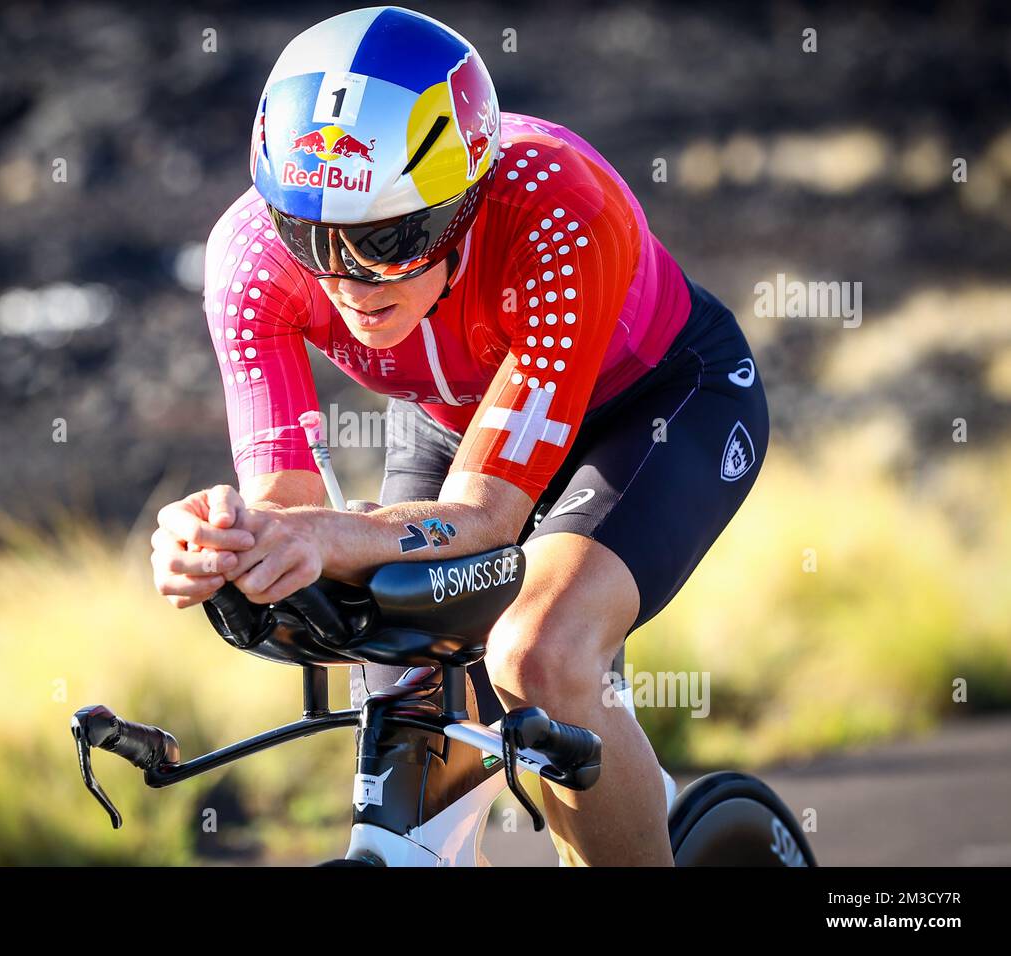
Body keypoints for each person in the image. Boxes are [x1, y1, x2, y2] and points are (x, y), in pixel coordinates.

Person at [151, 6, 769, 866]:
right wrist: (227, 541)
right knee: (403, 675)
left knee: (538, 656)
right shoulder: (251, 257)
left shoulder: (559, 211)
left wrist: (329, 533)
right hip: (463, 421)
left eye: (388, 238)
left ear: (464, 203)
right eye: (310, 236)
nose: (349, 281)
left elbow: (483, 515)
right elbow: (287, 513)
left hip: (653, 408)